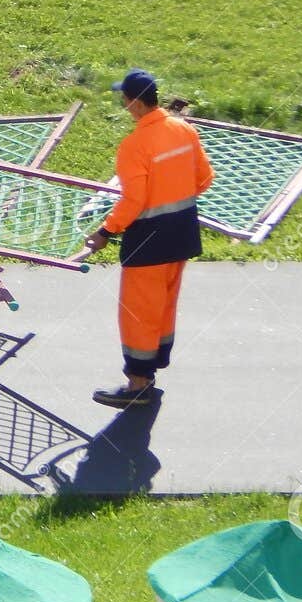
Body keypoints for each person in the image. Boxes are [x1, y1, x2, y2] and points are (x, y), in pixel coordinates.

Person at [83, 69, 214, 410]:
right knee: (164, 305)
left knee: (139, 314)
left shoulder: (134, 146)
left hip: (148, 244)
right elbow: (204, 179)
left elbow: (134, 201)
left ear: (136, 104)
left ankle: (138, 385)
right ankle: (153, 367)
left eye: (125, 100)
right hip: (182, 235)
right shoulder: (184, 130)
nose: (124, 105)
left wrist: (105, 231)